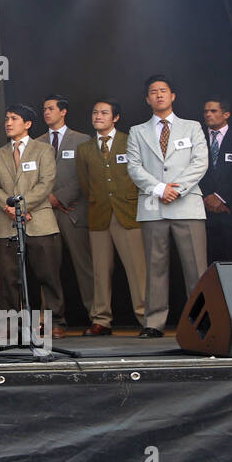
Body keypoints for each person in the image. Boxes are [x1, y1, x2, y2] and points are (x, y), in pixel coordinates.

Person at [124, 74, 208, 338]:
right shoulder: (138, 131)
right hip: (153, 205)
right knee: (155, 267)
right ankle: (153, 323)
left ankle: (201, 320)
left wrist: (177, 189)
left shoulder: (192, 127)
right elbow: (134, 167)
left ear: (173, 96)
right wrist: (160, 189)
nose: (159, 94)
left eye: (164, 90)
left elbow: (200, 162)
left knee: (196, 266)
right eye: (153, 91)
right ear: (147, 99)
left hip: (187, 204)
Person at [0, 104, 66, 338]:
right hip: (6, 223)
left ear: (28, 124)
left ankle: (55, 322)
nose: (9, 123)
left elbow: (46, 182)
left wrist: (21, 206)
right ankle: (9, 325)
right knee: (9, 278)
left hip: (39, 221)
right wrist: (11, 209)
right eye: (7, 118)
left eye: (14, 118)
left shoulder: (43, 150)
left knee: (48, 275)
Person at [75, 98, 148, 335]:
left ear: (115, 117)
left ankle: (146, 317)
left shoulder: (131, 141)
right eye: (95, 112)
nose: (98, 116)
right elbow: (86, 185)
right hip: (99, 214)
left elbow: (140, 177)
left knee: (137, 269)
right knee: (99, 270)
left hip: (127, 213)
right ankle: (101, 320)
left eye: (104, 113)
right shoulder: (84, 148)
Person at [37, 94, 95, 323]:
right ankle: (52, 318)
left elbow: (86, 176)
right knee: (48, 269)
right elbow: (32, 177)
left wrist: (59, 198)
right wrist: (46, 198)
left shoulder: (82, 139)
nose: (46, 112)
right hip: (45, 214)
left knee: (84, 266)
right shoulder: (37, 142)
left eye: (51, 108)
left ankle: (96, 316)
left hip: (73, 212)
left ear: (63, 112)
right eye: (44, 109)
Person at [201, 96, 232, 262]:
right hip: (205, 212)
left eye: (213, 111)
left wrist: (221, 197)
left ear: (226, 114)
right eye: (206, 111)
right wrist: (208, 196)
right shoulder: (197, 138)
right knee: (211, 265)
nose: (208, 114)